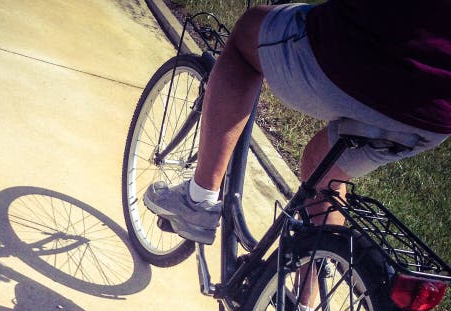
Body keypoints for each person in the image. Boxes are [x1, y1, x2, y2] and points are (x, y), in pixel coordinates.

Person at [143, 0, 451, 246]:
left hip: (362, 60)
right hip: (434, 113)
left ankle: (198, 201)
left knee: (247, 34)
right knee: (322, 167)